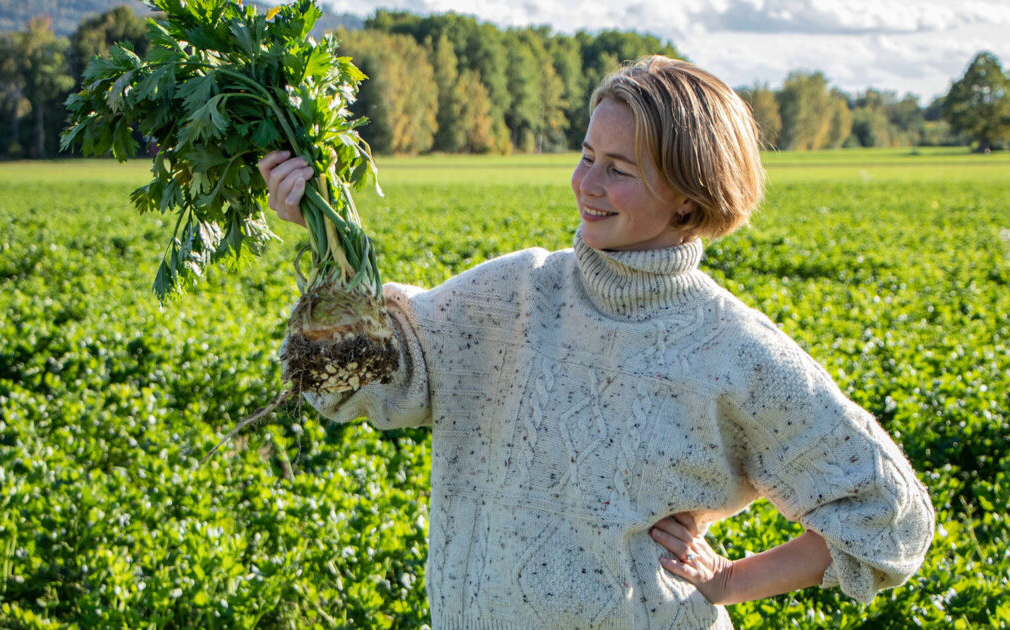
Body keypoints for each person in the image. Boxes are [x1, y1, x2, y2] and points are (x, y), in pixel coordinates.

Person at [258, 55, 934, 630]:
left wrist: (729, 581)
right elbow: (351, 386)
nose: (587, 184)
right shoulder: (513, 294)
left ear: (688, 200)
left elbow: (888, 517)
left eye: (618, 167)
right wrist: (329, 247)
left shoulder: (731, 349)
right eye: (586, 156)